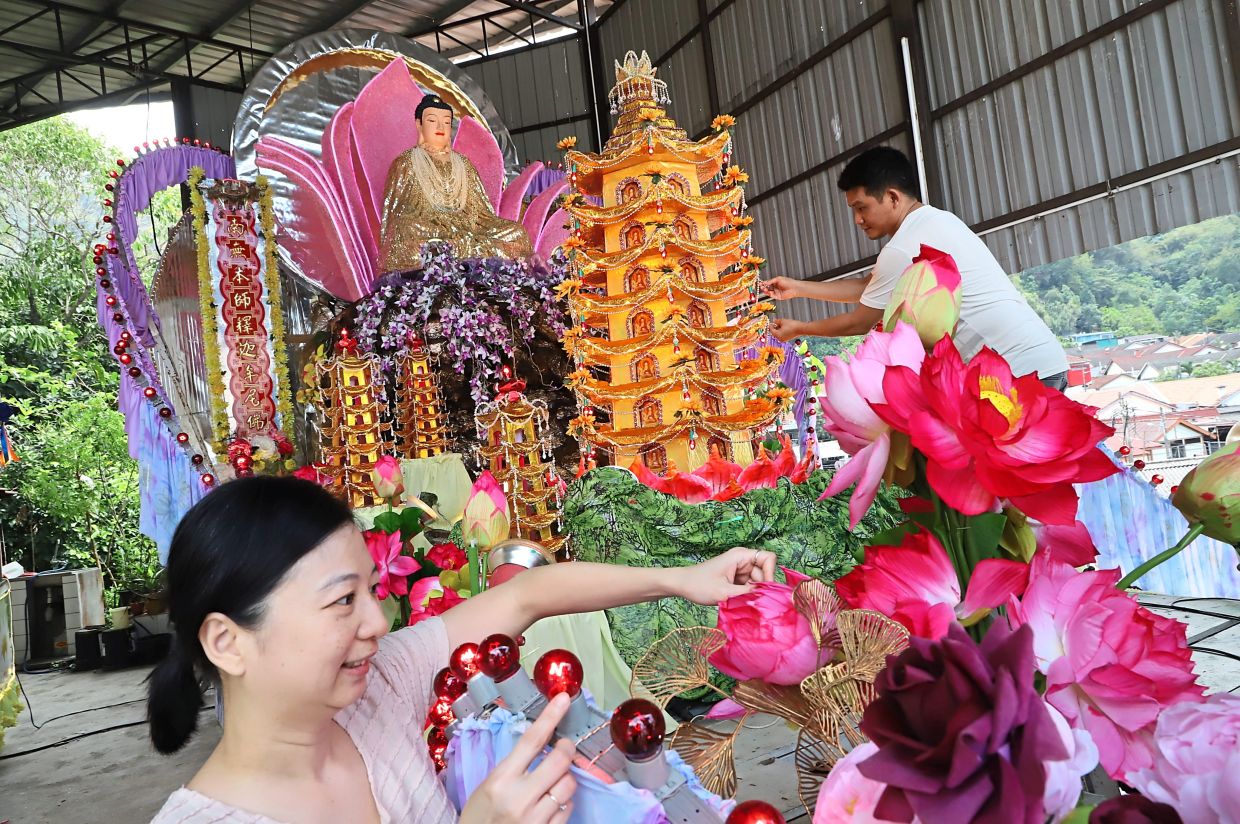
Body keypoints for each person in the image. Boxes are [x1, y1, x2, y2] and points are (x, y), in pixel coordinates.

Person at [147, 476, 775, 824]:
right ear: (228, 642)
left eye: (373, 589)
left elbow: (527, 594)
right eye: (343, 602)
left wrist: (683, 578)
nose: (376, 622)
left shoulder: (382, 688)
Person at [765, 146, 1068, 389]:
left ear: (893, 197)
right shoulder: (939, 220)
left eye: (862, 208)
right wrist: (799, 288)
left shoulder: (902, 247)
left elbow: (858, 322)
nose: (858, 220)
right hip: (1039, 360)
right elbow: (867, 288)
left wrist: (801, 329)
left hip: (1017, 373)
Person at [378, 95, 533, 273]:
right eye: (432, 121)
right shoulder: (405, 162)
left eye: (446, 122)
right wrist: (439, 221)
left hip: (470, 226)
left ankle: (456, 251)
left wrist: (463, 227)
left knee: (516, 232)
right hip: (430, 228)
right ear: (419, 124)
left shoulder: (464, 164)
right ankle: (467, 252)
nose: (440, 127)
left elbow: (482, 211)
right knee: (404, 227)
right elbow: (398, 209)